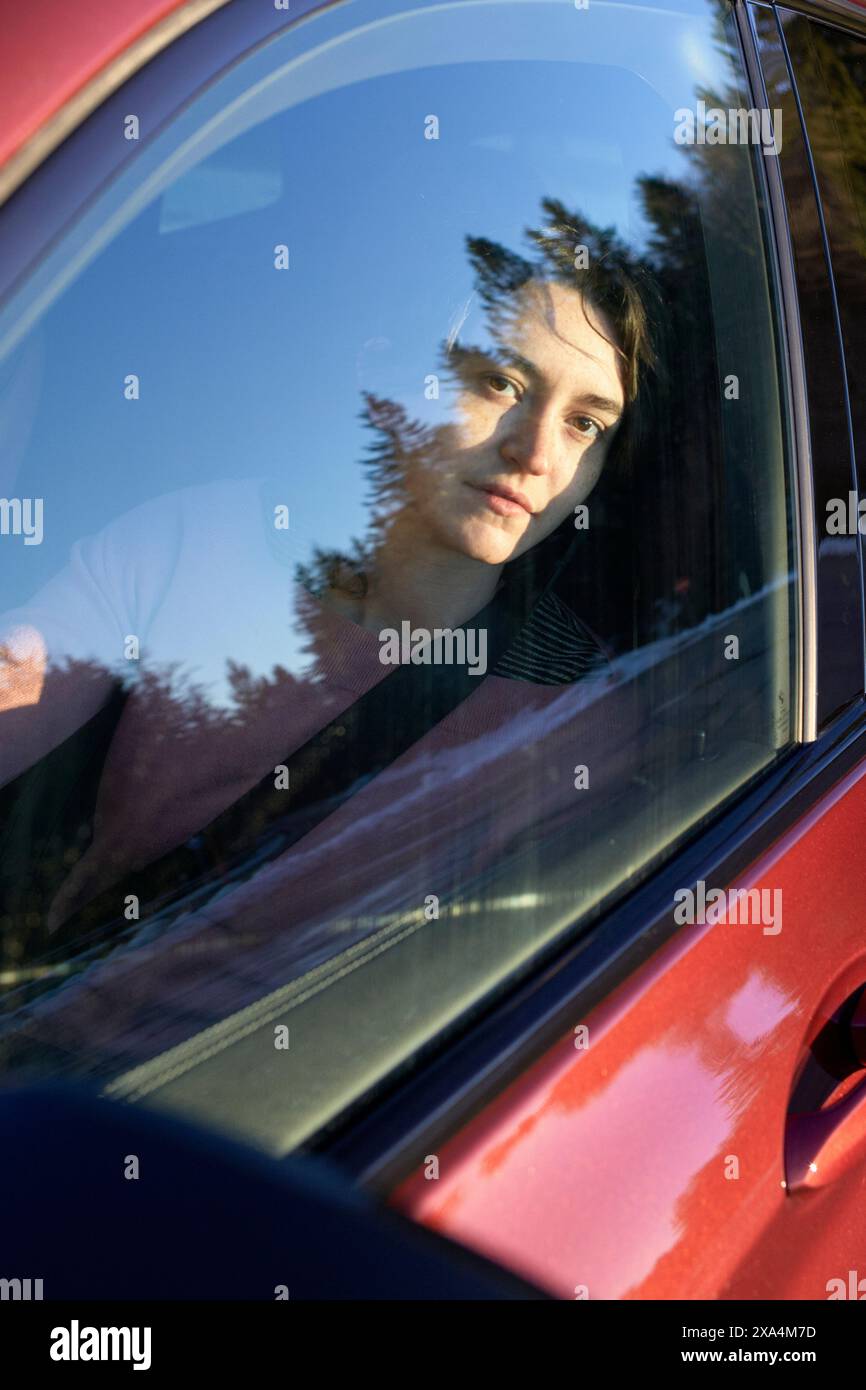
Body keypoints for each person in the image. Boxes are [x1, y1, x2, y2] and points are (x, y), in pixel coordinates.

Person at [0, 208, 662, 1072]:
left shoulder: (574, 720)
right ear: (386, 373)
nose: (537, 453)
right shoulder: (192, 539)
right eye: (500, 383)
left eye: (586, 425)